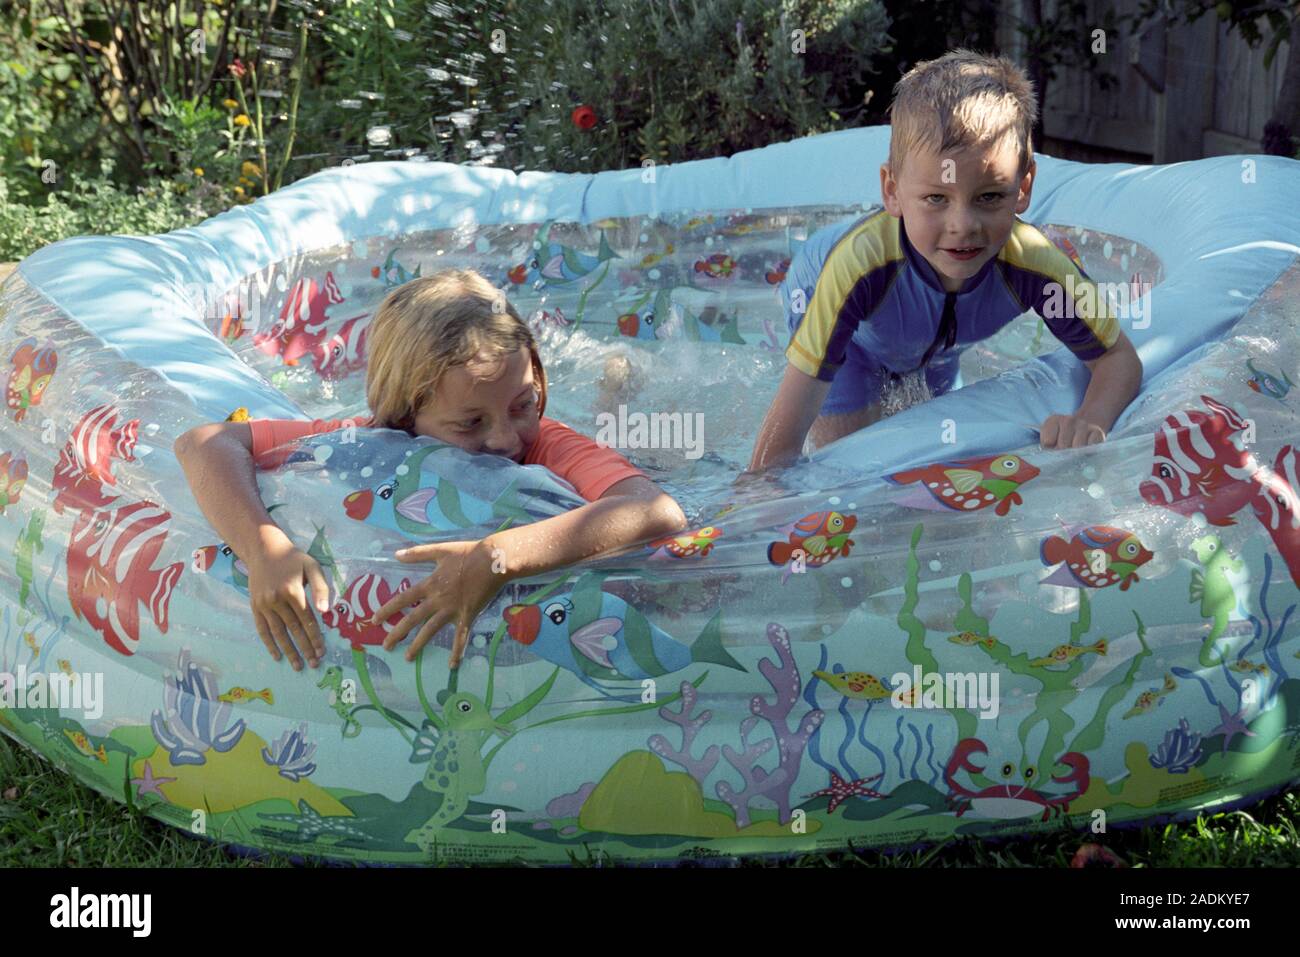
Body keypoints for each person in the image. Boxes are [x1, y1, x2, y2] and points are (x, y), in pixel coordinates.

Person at [174, 269, 687, 673]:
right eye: (470, 423)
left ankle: (618, 386)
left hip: (627, 470)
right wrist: (264, 548)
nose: (506, 439)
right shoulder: (365, 439)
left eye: (523, 403)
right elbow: (204, 442)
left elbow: (656, 510)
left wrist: (496, 556)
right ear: (403, 415)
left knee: (634, 441)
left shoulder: (551, 444)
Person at [747, 49, 1143, 473]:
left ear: (1023, 187)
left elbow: (1116, 358)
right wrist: (757, 494)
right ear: (892, 190)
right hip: (831, 302)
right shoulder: (857, 269)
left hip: (935, 342)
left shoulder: (1036, 267)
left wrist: (1089, 421)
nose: (963, 226)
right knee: (849, 466)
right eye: (936, 198)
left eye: (989, 196)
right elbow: (782, 443)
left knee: (938, 444)